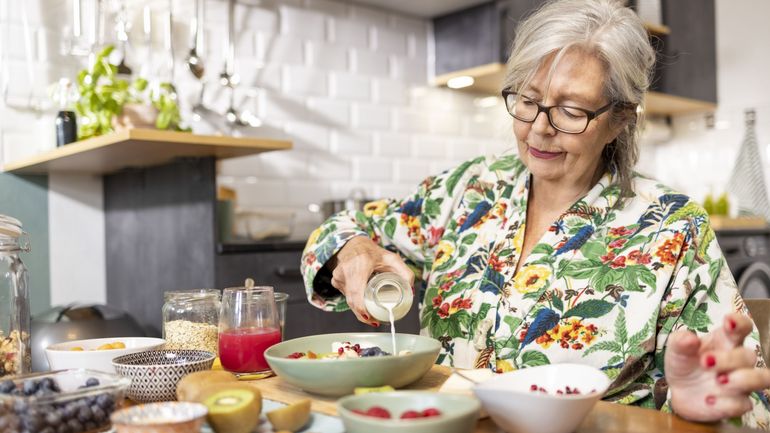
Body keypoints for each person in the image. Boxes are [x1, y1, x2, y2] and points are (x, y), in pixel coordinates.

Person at [300, 0, 770, 427]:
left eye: (570, 110)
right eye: (527, 101)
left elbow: (750, 404)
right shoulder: (468, 188)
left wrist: (695, 415)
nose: (538, 130)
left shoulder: (673, 227)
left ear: (620, 119)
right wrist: (352, 248)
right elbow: (347, 228)